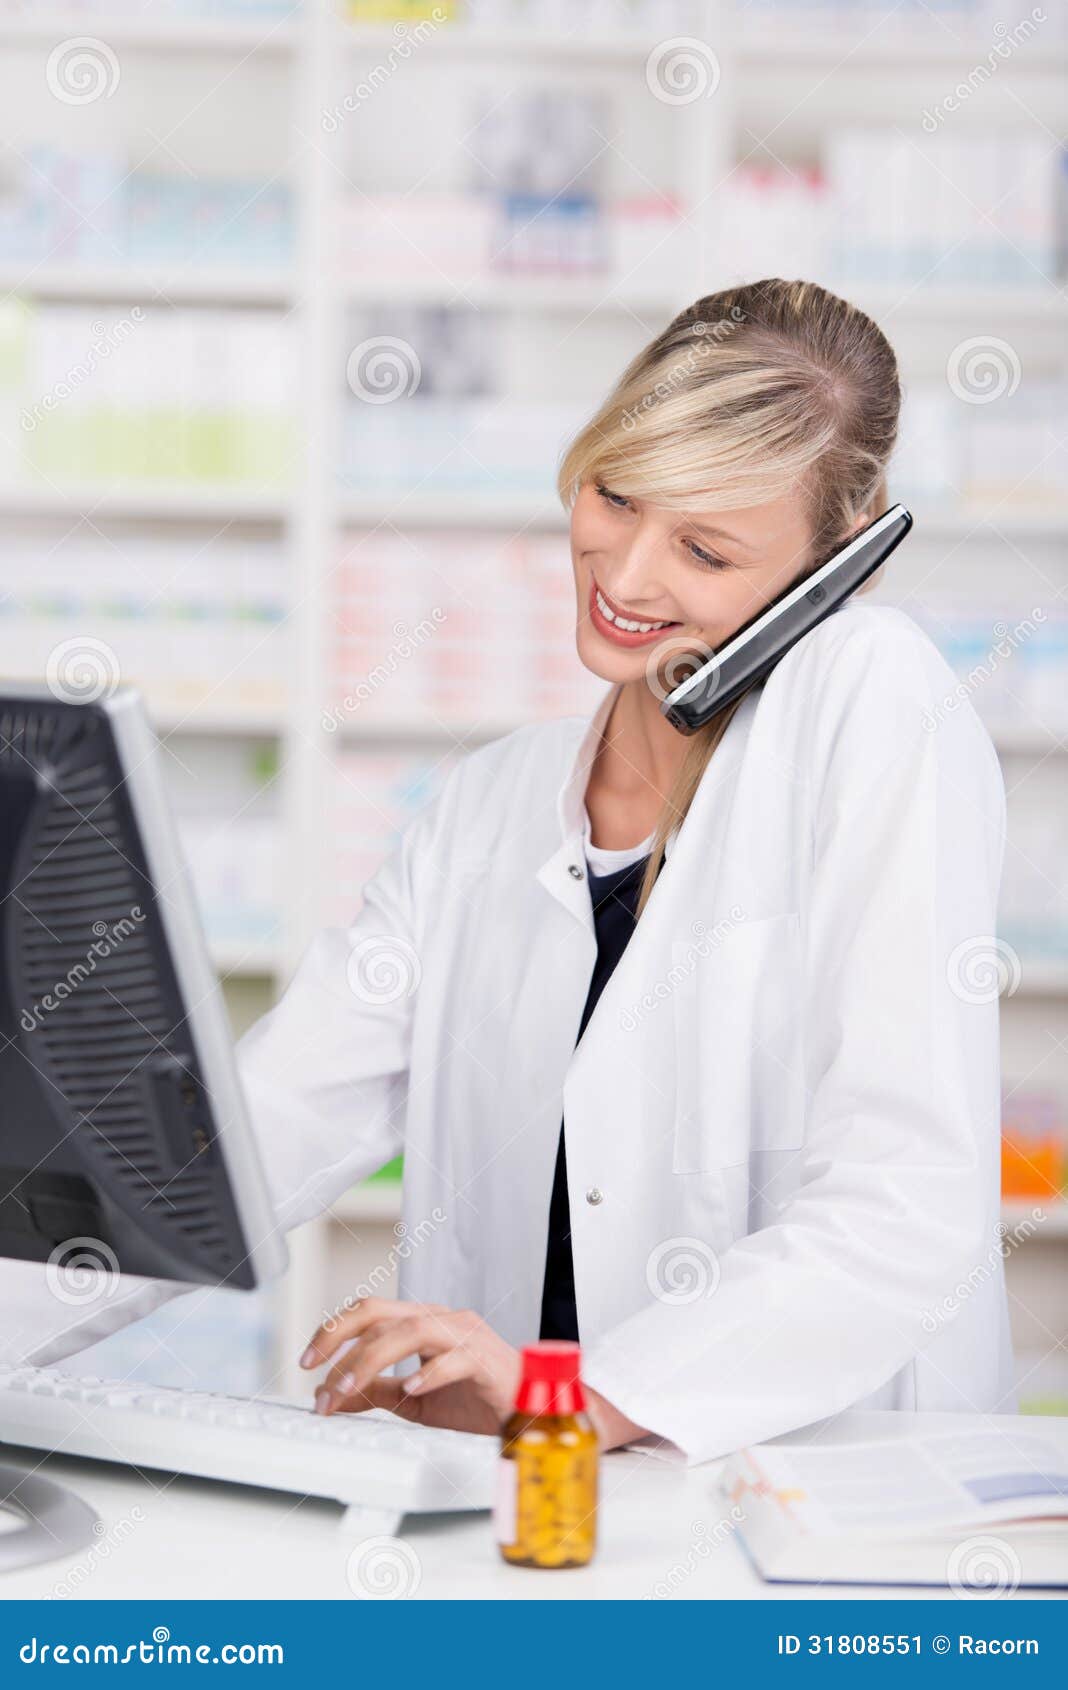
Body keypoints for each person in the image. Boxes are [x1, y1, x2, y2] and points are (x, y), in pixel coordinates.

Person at [242, 279, 1014, 1462]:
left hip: (804, 1521)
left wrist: (565, 1393)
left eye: (704, 548)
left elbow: (901, 1205)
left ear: (833, 573)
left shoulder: (875, 700)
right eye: (616, 492)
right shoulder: (488, 805)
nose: (628, 571)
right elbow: (266, 1125)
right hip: (530, 1507)